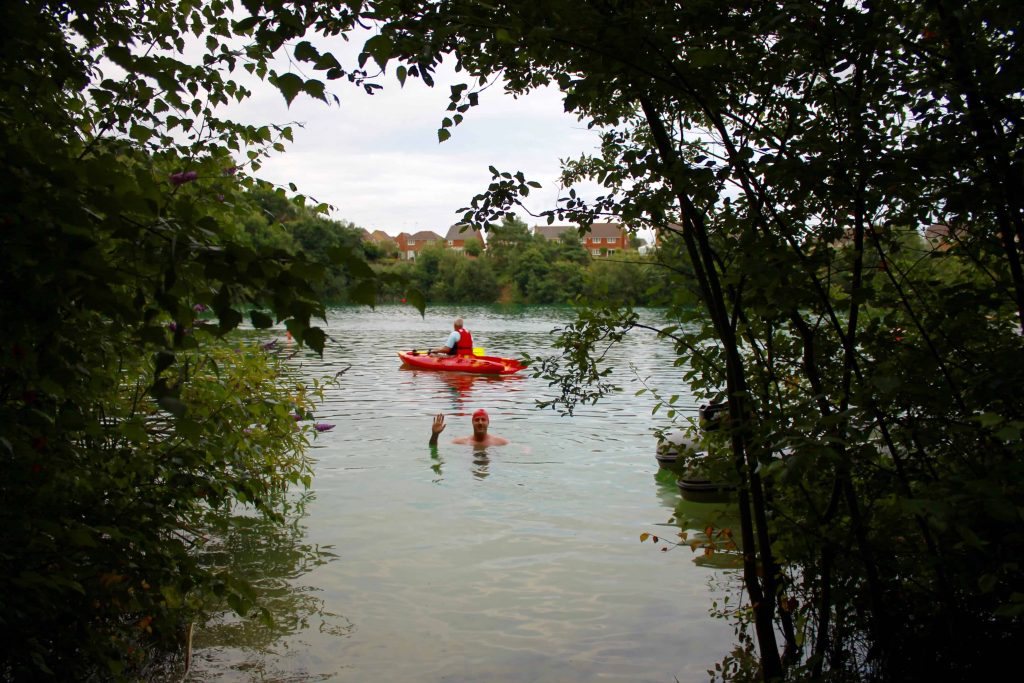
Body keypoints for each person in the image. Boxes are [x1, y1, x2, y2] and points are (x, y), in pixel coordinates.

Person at [429, 409, 509, 447]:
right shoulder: (461, 442)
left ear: (488, 422)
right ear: (472, 423)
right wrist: (435, 435)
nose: (480, 422)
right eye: (477, 420)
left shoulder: (501, 442)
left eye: (483, 420)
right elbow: (433, 447)